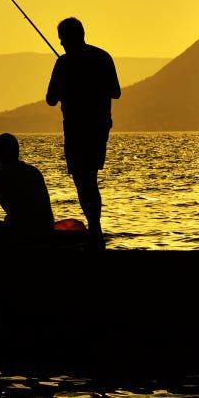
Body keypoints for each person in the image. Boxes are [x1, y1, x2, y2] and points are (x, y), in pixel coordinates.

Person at [46, 17, 120, 249]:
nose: (61, 45)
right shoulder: (102, 57)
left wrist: (70, 84)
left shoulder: (63, 63)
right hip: (99, 127)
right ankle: (95, 230)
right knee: (89, 178)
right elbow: (115, 92)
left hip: (78, 129)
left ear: (69, 37)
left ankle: (95, 231)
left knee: (83, 179)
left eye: (62, 40)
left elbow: (50, 99)